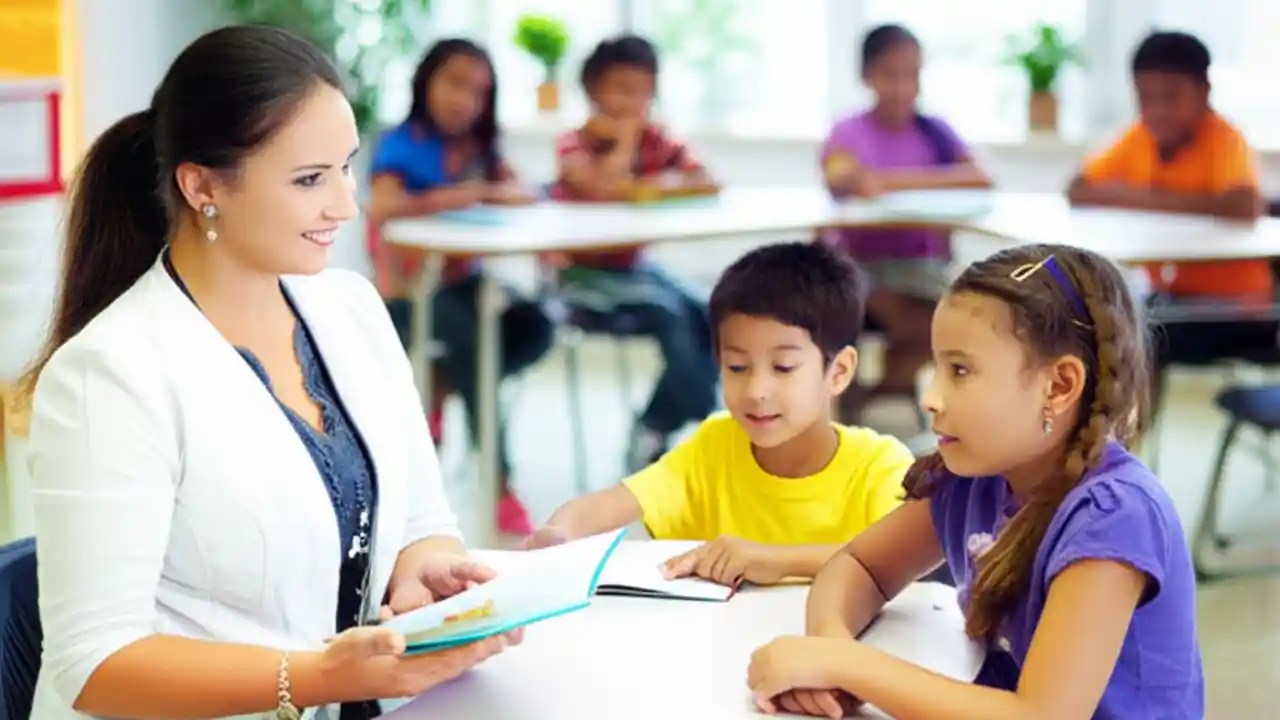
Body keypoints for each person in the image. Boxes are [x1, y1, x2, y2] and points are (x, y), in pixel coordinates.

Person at [23, 26, 519, 720]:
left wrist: (422, 568)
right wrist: (318, 677)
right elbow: (96, 664)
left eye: (346, 167)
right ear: (201, 187)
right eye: (310, 179)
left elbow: (421, 519)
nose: (346, 205)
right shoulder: (108, 375)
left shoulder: (350, 309)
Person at [746, 245, 1202, 719]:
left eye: (960, 371)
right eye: (937, 366)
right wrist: (829, 651)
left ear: (1059, 386)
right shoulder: (976, 472)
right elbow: (861, 566)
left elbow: (1042, 716)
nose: (932, 397)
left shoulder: (1114, 515)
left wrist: (846, 665)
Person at [526, 243, 913, 587]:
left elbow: (897, 556)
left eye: (783, 368)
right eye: (737, 368)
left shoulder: (879, 466)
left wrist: (772, 559)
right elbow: (608, 505)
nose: (757, 391)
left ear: (839, 371)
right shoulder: (713, 447)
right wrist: (559, 534)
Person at [367, 38, 555, 536]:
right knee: (476, 346)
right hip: (405, 296)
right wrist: (474, 194)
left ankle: (443, 385)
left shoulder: (481, 149)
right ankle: (500, 485)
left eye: (478, 91)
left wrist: (511, 191)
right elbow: (383, 207)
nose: (464, 100)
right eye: (454, 83)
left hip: (464, 287)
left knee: (538, 324)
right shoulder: (402, 143)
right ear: (425, 79)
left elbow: (522, 192)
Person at [1067, 31, 1269, 408]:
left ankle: (1123, 454)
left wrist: (1132, 196)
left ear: (1205, 92)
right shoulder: (1139, 137)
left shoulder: (1224, 139)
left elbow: (1243, 204)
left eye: (1173, 97)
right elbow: (1078, 188)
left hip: (1235, 308)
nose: (1158, 110)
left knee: (1129, 340)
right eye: (1146, 98)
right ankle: (1113, 448)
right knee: (1088, 324)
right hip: (1173, 298)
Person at [550, 34, 720, 472]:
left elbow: (708, 179)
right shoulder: (573, 142)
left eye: (644, 91)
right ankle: (713, 423)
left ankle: (654, 424)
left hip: (635, 268)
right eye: (622, 89)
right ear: (592, 91)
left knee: (712, 311)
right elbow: (594, 186)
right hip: (579, 276)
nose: (634, 103)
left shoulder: (658, 140)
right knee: (670, 316)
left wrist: (654, 185)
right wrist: (624, 144)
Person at [822, 24, 991, 418]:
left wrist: (888, 180)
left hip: (923, 266)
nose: (902, 86)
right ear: (867, 76)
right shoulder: (849, 131)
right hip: (859, 266)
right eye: (890, 74)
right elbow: (843, 178)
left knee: (961, 320)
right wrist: (934, 181)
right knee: (915, 315)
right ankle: (870, 397)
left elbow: (981, 178)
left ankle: (871, 396)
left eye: (912, 74)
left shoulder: (934, 131)